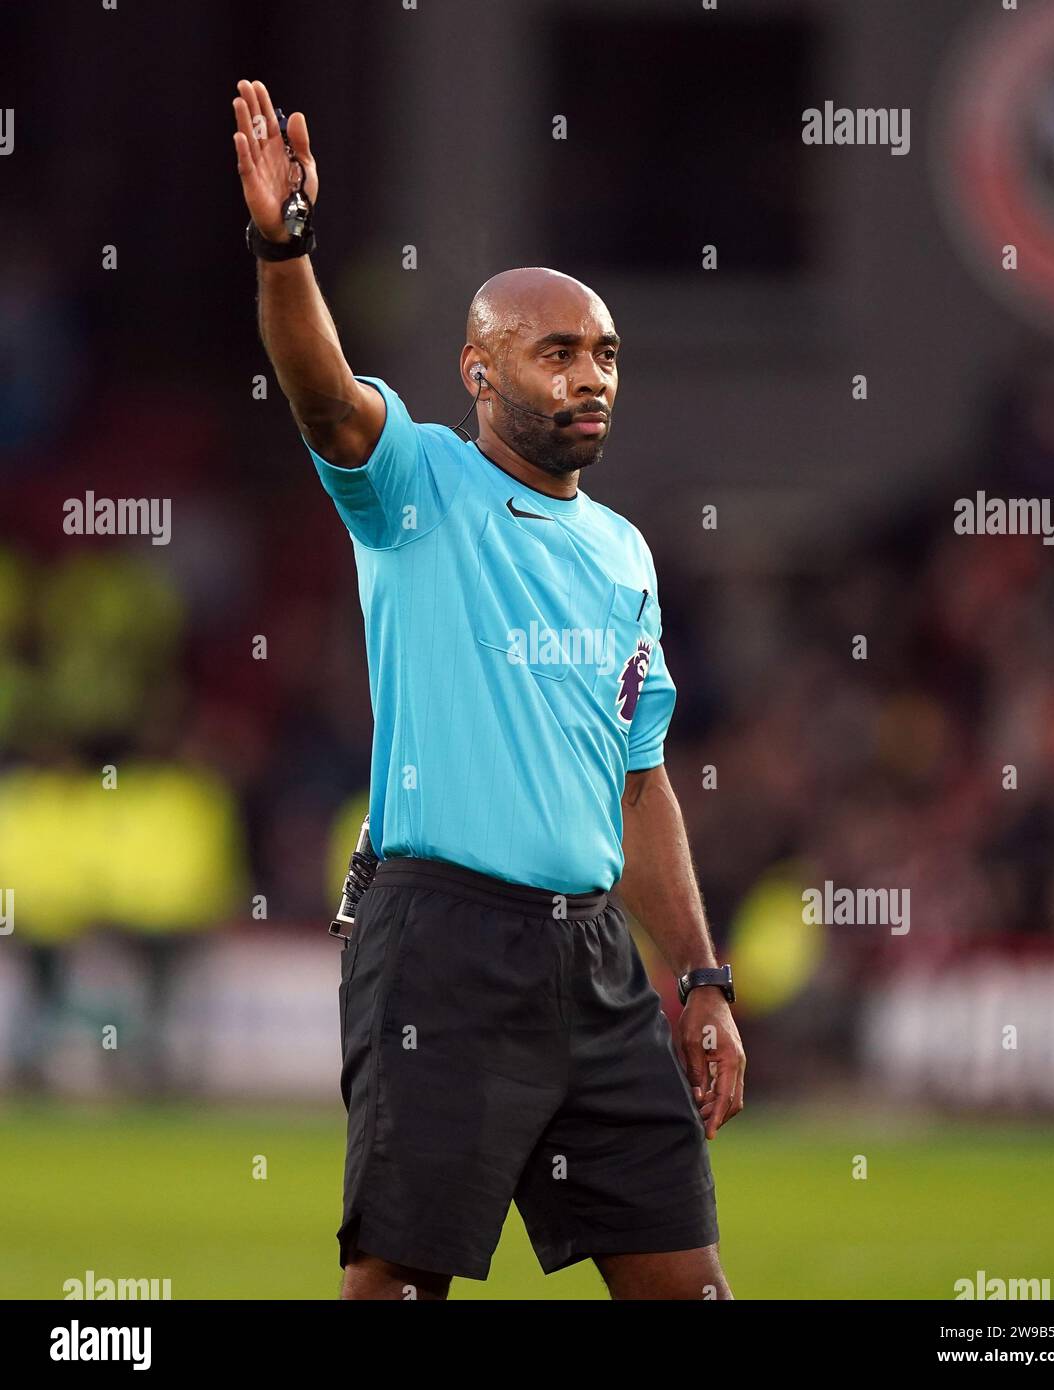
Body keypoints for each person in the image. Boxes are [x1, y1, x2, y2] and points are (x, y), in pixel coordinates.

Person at [233, 77, 745, 1301]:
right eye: (558, 351)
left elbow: (642, 784)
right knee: (397, 1290)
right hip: (442, 951)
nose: (591, 376)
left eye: (606, 355)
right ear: (477, 369)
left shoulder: (624, 551)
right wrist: (281, 246)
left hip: (598, 964)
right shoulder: (417, 488)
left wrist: (704, 979)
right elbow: (321, 387)